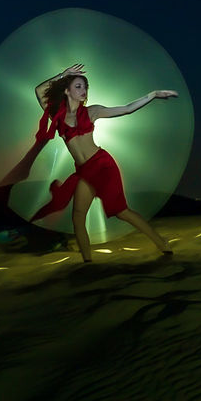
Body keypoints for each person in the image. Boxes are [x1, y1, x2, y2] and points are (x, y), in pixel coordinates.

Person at [27, 63, 177, 262]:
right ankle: (87, 262)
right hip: (84, 171)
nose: (84, 90)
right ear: (67, 90)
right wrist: (62, 74)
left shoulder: (92, 112)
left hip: (103, 166)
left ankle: (162, 243)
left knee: (122, 212)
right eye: (78, 86)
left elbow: (126, 109)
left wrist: (154, 94)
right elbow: (39, 91)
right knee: (78, 218)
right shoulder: (58, 115)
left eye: (85, 87)